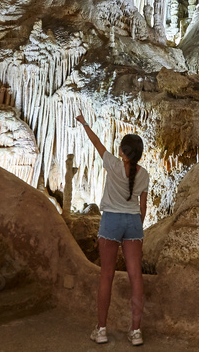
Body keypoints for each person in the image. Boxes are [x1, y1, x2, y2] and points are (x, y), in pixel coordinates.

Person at [76, 113, 148, 347]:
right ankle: (136, 332)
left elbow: (96, 143)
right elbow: (143, 207)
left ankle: (102, 329)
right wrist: (137, 228)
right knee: (136, 277)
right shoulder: (144, 174)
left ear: (122, 152)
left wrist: (84, 122)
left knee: (106, 275)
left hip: (111, 222)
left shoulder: (113, 164)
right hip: (133, 223)